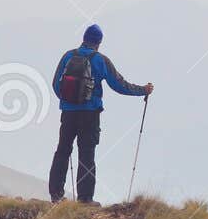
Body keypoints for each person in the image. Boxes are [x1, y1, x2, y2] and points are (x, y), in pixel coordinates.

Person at [47, 24, 153, 205]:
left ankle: (56, 195)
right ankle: (85, 199)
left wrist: (67, 101)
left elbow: (56, 85)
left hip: (68, 113)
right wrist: (143, 90)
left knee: (63, 150)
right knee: (87, 154)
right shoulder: (100, 60)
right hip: (90, 114)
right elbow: (120, 85)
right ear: (98, 43)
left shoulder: (68, 56)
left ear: (84, 38)